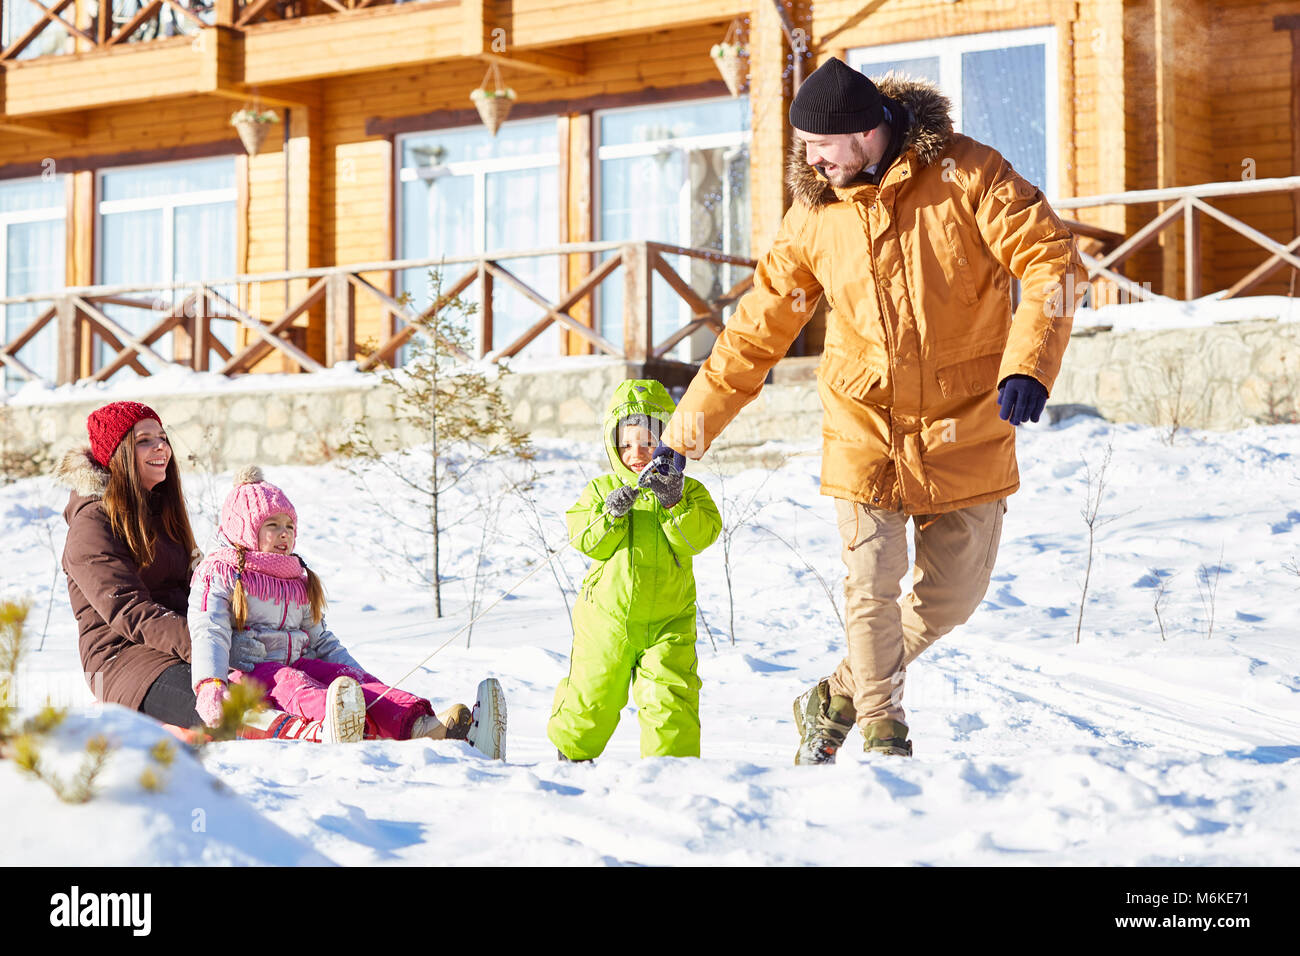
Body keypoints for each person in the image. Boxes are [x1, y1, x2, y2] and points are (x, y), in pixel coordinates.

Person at [654, 59, 1088, 762]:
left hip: (968, 420)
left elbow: (1051, 259)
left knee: (952, 599)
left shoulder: (969, 175)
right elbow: (755, 332)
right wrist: (684, 433)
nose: (810, 159)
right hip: (865, 426)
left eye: (820, 146)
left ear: (864, 132)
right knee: (871, 588)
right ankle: (884, 734)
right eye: (803, 147)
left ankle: (837, 691)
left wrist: (1029, 363)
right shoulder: (815, 219)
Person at [189, 466, 507, 757]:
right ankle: (342, 724)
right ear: (243, 529)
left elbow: (323, 642)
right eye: (271, 525)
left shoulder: (297, 577)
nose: (284, 533)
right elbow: (210, 632)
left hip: (297, 665)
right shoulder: (222, 572)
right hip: (250, 674)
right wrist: (210, 685)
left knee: (342, 678)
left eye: (289, 525)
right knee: (291, 679)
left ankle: (431, 730)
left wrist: (360, 680)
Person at [57, 401, 319, 740]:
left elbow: (194, 590)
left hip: (181, 645)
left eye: (162, 438)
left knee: (272, 678)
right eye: (144, 441)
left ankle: (346, 713)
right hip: (122, 659)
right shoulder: (92, 524)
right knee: (226, 703)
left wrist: (238, 626)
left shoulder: (161, 510)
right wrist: (209, 648)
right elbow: (128, 610)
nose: (160, 448)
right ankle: (305, 733)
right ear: (118, 453)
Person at [548, 380, 721, 761]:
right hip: (606, 618)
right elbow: (586, 539)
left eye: (646, 443)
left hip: (669, 622)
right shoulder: (601, 489)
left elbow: (699, 538)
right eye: (625, 445)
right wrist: (609, 513)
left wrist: (673, 502)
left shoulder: (687, 491)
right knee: (593, 692)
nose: (636, 454)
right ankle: (571, 756)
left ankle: (670, 771)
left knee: (670, 699)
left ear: (665, 440)